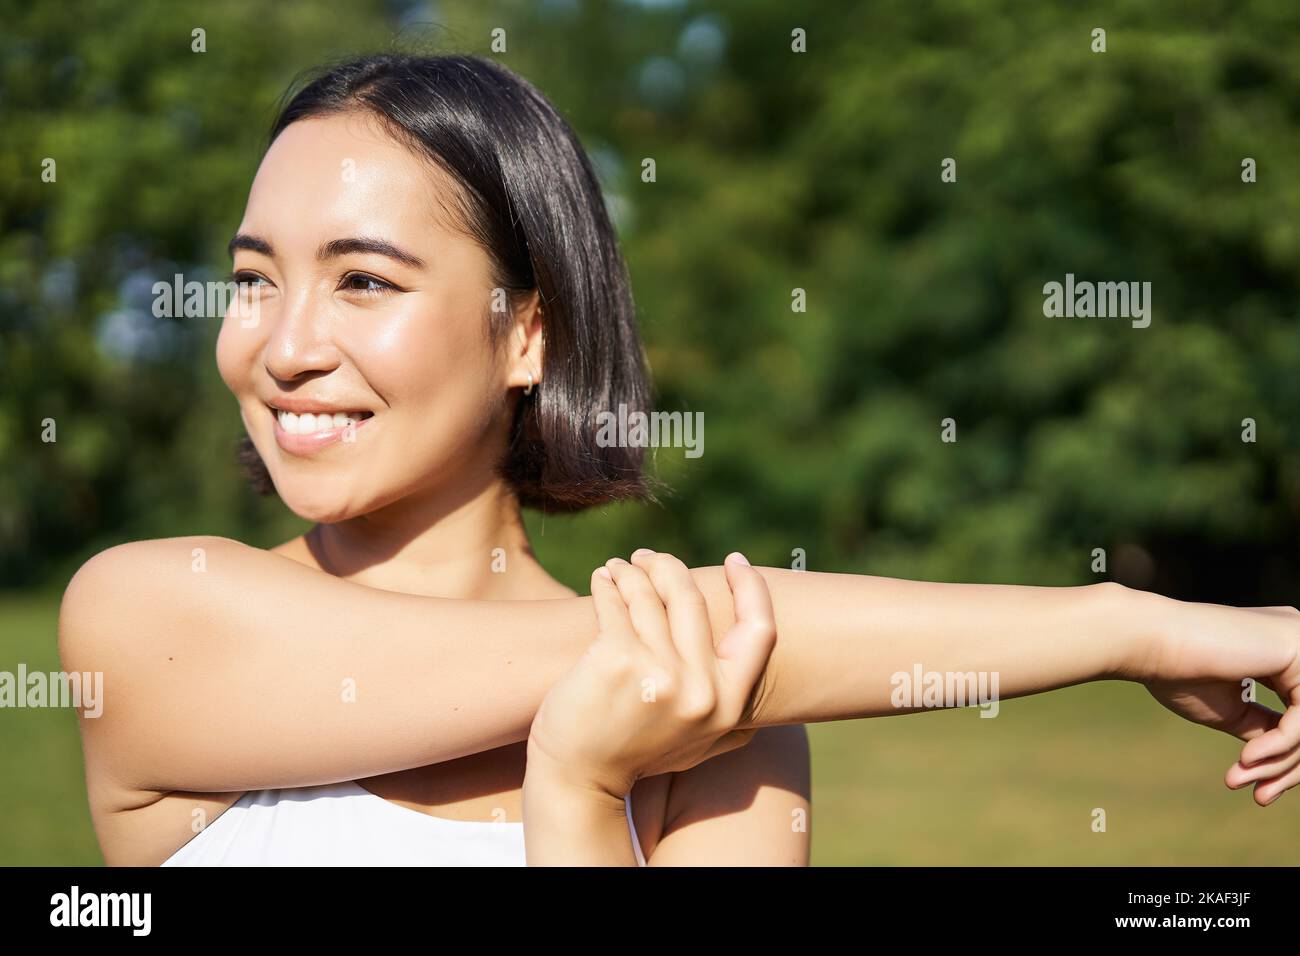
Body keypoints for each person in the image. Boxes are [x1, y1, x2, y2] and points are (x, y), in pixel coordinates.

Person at [59, 54, 1300, 867]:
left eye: (362, 280)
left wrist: (582, 795)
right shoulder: (147, 616)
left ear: (527, 330)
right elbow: (719, 639)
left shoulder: (728, 722)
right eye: (252, 281)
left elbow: (705, 653)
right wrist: (1133, 627)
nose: (281, 345)